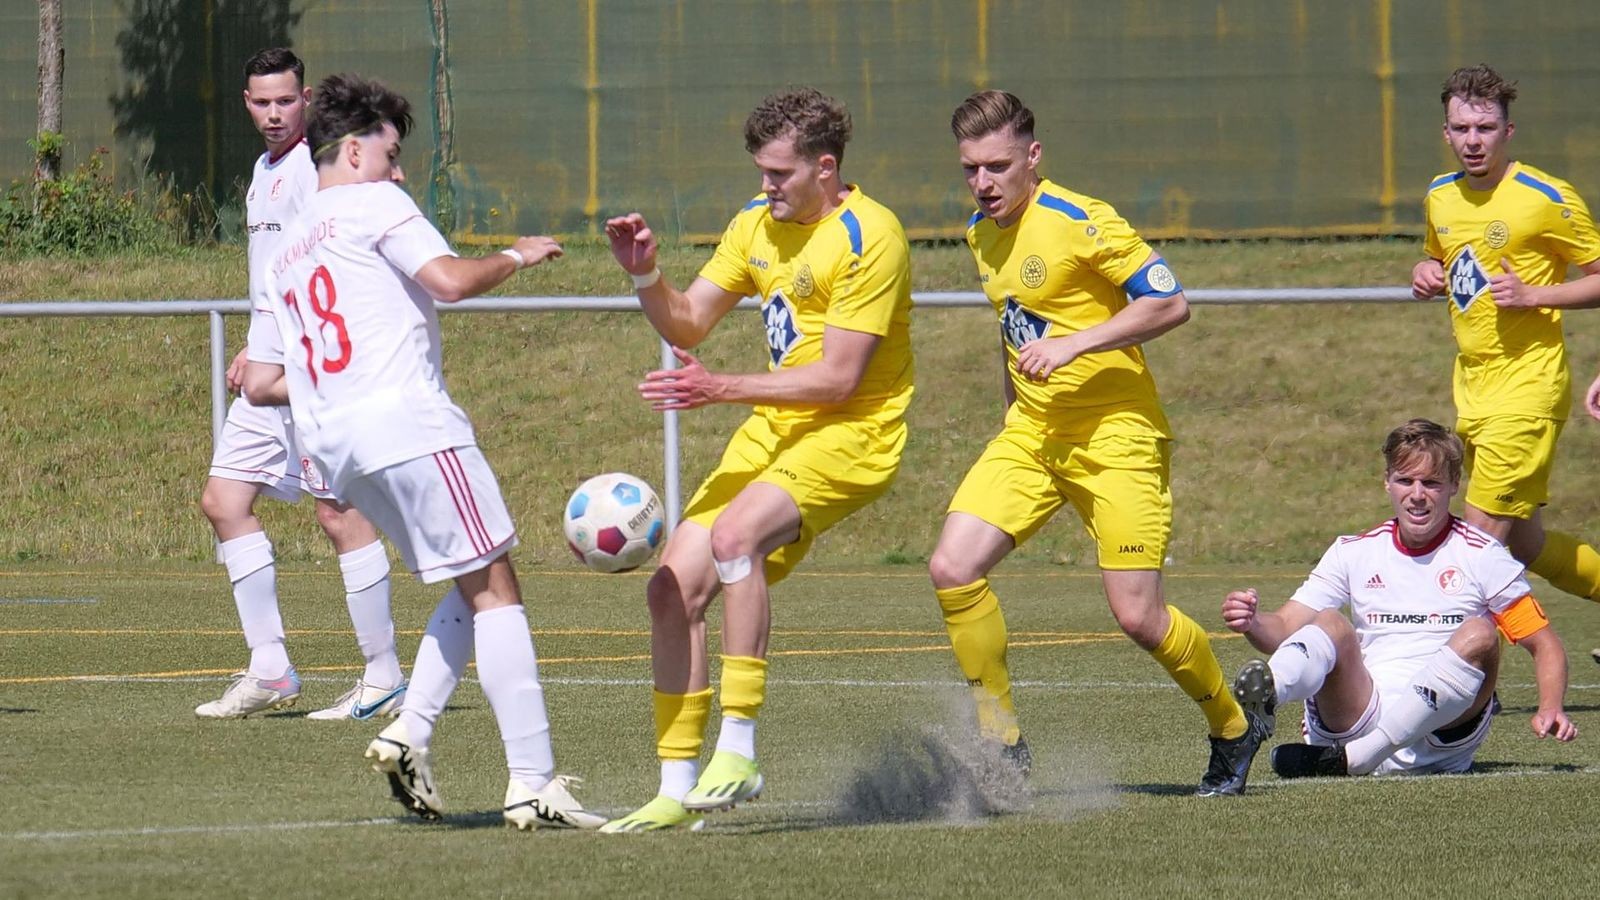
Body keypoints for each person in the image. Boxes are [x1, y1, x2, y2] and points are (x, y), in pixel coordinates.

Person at [247, 72, 601, 829]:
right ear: (352, 151)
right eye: (391, 154)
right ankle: (533, 781)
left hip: (340, 450)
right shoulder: (374, 203)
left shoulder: (285, 252)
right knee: (497, 586)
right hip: (407, 425)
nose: (400, 172)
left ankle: (411, 730)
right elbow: (448, 282)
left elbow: (265, 382)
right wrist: (515, 255)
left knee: (472, 581)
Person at [929, 89, 1270, 796]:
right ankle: (1001, 741)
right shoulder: (980, 232)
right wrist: (1012, 411)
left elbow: (1170, 302)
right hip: (1033, 435)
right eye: (970, 169)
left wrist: (1075, 343)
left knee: (1138, 616)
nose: (983, 183)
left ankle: (1234, 725)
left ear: (1033, 156)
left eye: (997, 166)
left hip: (1117, 435)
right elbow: (1014, 325)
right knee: (953, 567)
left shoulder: (1080, 219)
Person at [599, 87, 915, 831]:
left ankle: (738, 750)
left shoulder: (871, 236)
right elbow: (688, 323)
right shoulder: (754, 224)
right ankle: (675, 790)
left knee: (736, 537)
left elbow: (839, 380)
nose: (766, 186)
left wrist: (720, 389)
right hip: (776, 429)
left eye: (780, 173)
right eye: (761, 172)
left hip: (854, 432)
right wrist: (645, 275)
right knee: (670, 589)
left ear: (825, 168)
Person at [195, 48, 404, 721]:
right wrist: (257, 346)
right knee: (224, 500)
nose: (274, 114)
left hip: (309, 371)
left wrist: (287, 353)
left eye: (285, 100)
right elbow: (273, 277)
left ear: (306, 100)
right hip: (269, 367)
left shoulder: (317, 171)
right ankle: (271, 669)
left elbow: (330, 263)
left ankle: (383, 674)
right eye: (261, 102)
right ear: (246, 103)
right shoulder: (264, 173)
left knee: (338, 514)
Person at [1222, 419, 1575, 779]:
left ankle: (1365, 755)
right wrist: (1252, 622)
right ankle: (1269, 697)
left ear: (1454, 484)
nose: (1417, 494)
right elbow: (1283, 628)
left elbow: (1544, 644)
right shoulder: (1354, 551)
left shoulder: (1484, 555)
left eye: (1431, 483)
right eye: (1406, 480)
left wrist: (1551, 707)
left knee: (1481, 634)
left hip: (1441, 738)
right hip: (1357, 718)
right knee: (1329, 622)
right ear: (1387, 481)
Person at [1410, 64, 1600, 636]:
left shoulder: (1544, 197)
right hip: (1472, 387)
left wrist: (1536, 294)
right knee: (1524, 545)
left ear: (1507, 131)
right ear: (1446, 132)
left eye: (1486, 128)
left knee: (1476, 544)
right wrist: (1425, 269)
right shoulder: (1440, 195)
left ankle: (1440, 673)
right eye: (1461, 128)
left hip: (1529, 387)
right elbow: (1442, 257)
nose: (1473, 141)